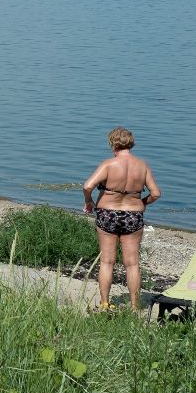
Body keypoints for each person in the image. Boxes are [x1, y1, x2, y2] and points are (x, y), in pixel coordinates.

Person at [83, 127, 161, 311]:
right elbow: (156, 193)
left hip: (107, 214)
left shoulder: (109, 165)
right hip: (133, 216)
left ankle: (104, 303)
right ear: (130, 143)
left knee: (107, 261)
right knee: (132, 263)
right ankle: (134, 307)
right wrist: (140, 202)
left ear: (114, 144)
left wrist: (89, 201)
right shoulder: (142, 166)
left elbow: (87, 186)